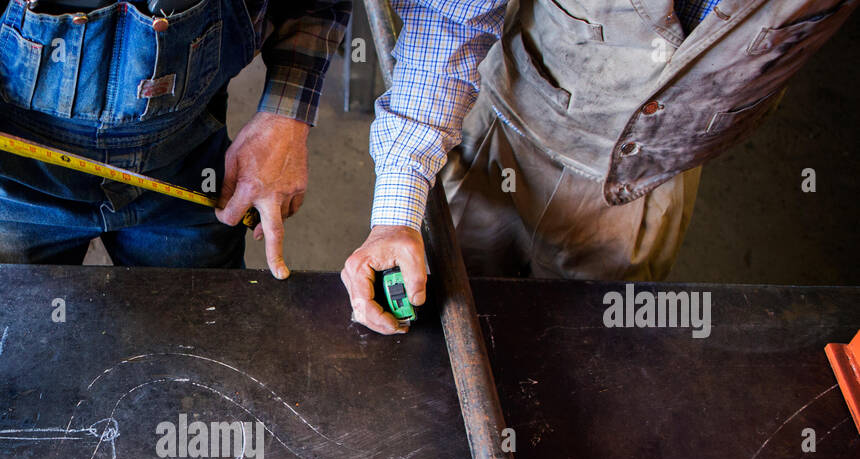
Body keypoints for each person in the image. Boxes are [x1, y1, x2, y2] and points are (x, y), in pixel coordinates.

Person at [0, 0, 350, 456]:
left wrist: (287, 112)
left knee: (201, 378)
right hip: (11, 181)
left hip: (190, 167)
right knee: (25, 374)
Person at [342, 0, 856, 335]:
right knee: (448, 309)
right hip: (511, 136)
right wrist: (398, 204)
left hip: (650, 181)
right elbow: (452, 19)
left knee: (581, 354)